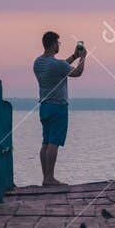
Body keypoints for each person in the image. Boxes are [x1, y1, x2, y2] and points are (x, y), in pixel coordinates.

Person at [34, 31, 85, 186]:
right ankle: (50, 177)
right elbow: (77, 73)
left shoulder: (38, 63)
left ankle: (45, 177)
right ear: (53, 44)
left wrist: (74, 56)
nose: (59, 45)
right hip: (58, 107)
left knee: (45, 142)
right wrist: (83, 58)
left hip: (44, 106)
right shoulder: (57, 64)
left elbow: (61, 66)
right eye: (58, 43)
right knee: (54, 143)